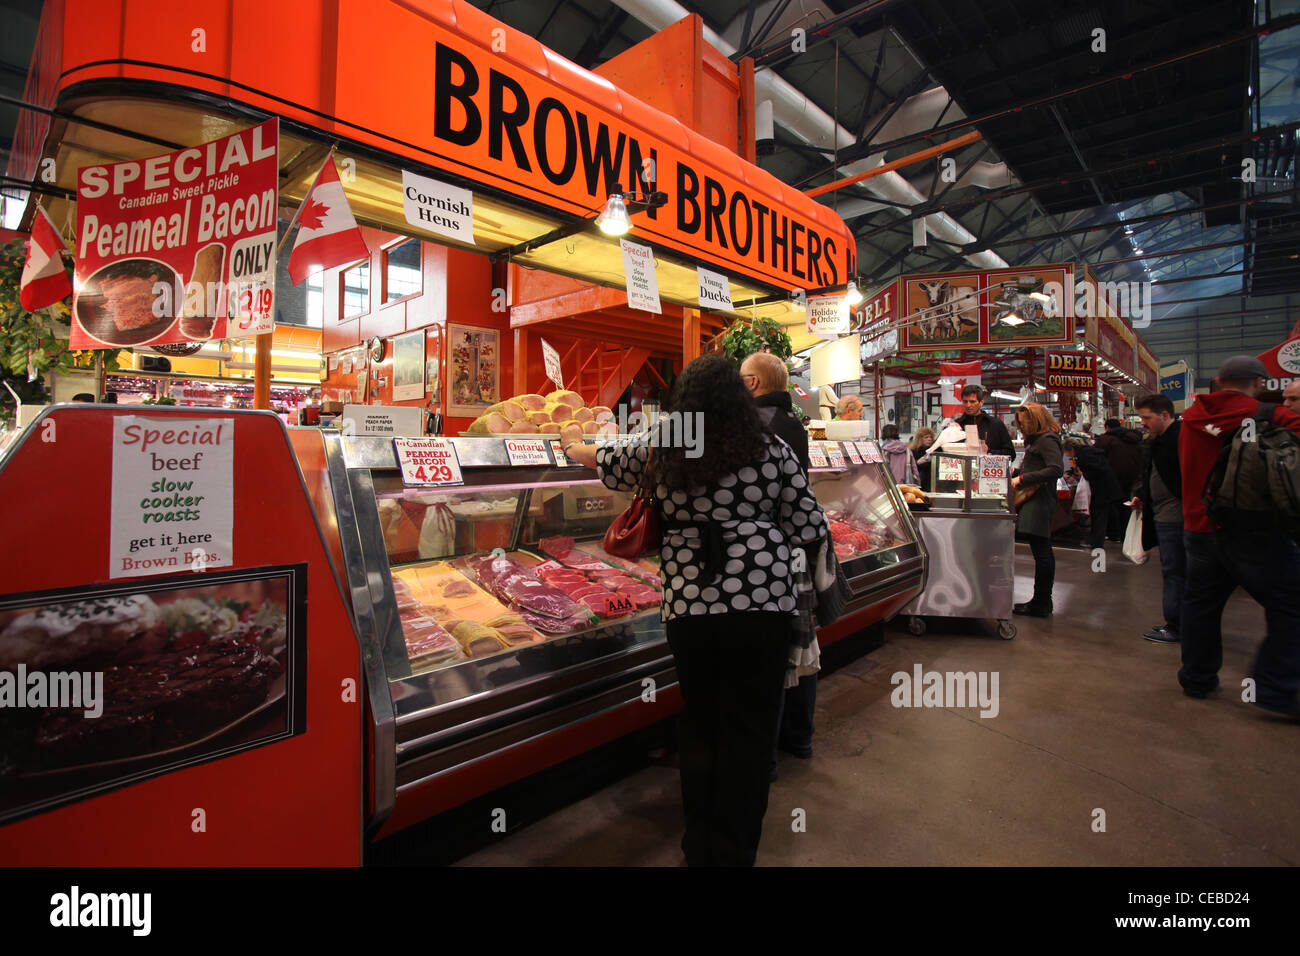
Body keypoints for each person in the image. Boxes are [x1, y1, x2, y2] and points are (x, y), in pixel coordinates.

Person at [566, 355, 828, 864]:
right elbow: (809, 524)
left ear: (686, 398)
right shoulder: (769, 446)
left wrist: (565, 445)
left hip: (691, 604)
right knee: (750, 732)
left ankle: (700, 846)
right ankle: (736, 851)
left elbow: (603, 459)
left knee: (702, 724)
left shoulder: (664, 444)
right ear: (739, 394)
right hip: (762, 606)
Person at [1177, 355, 1300, 717]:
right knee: (1291, 603)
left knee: (1200, 605)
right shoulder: (1272, 417)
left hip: (1197, 526)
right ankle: (1277, 688)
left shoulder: (1191, 418)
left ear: (1217, 380)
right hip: (1252, 530)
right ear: (1261, 383)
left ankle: (1197, 679)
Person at [739, 351, 816, 766]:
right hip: (795, 552)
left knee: (771, 659)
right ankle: (799, 738)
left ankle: (763, 760)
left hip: (765, 559)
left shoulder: (755, 426)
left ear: (752, 385)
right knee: (800, 645)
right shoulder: (794, 423)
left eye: (741, 378)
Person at [1130, 394, 1184, 645]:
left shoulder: (1178, 440)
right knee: (1173, 571)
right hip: (1163, 513)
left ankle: (1177, 627)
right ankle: (1176, 623)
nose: (1143, 423)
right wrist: (1143, 495)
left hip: (1175, 517)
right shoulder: (1157, 441)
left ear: (1164, 415)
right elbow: (1152, 473)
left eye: (1146, 417)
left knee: (1175, 571)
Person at [1011, 403, 1064, 617]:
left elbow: (1056, 469)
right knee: (1041, 551)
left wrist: (1023, 478)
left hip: (1040, 501)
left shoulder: (1047, 440)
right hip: (1037, 500)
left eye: (1024, 423)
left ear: (1036, 421)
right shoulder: (1041, 440)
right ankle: (1040, 601)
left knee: (1042, 552)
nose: (1022, 428)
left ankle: (1042, 603)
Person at [1066, 437, 1122, 551]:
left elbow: (1095, 469)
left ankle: (1097, 543)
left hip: (1102, 489)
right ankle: (1099, 539)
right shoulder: (1087, 451)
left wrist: (1084, 474)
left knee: (1099, 515)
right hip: (1107, 487)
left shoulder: (1083, 455)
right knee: (1101, 514)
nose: (1067, 455)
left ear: (1071, 449)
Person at [1095, 417, 1143, 540]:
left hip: (1111, 476)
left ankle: (1113, 534)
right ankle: (1125, 533)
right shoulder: (1133, 438)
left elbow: (1096, 456)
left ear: (1107, 427)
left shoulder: (1105, 439)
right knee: (1126, 503)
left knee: (1112, 505)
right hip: (1131, 476)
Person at [955, 385, 1015, 458]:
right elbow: (941, 451)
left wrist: (989, 451)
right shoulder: (957, 425)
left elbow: (1011, 454)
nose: (968, 405)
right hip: (963, 468)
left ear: (981, 402)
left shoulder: (996, 424)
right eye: (965, 401)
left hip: (989, 468)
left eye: (972, 401)